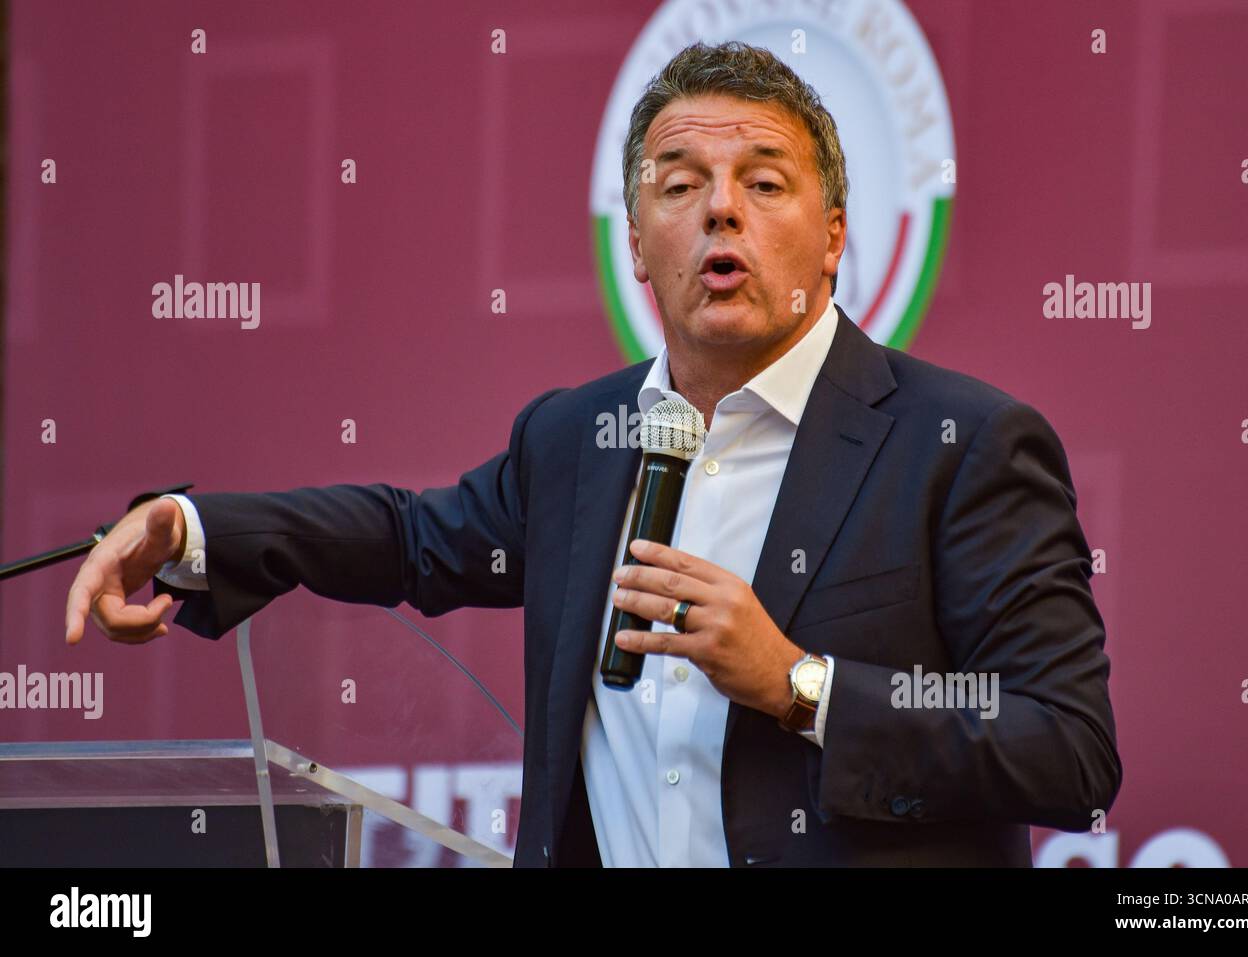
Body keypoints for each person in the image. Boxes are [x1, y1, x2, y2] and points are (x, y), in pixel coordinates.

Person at [63, 41, 1120, 866]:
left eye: (764, 183)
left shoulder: (958, 444)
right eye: (680, 184)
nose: (721, 208)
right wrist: (187, 529)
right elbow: (411, 538)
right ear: (637, 244)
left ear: (835, 234)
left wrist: (798, 684)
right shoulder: (578, 440)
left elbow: (1066, 745)